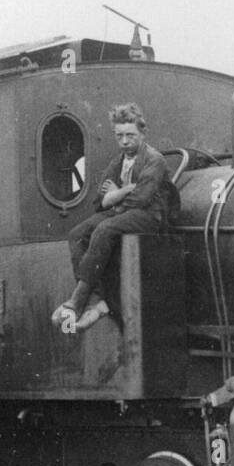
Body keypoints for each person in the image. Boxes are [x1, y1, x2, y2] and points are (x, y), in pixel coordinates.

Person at [52, 103, 177, 332]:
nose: (125, 141)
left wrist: (114, 197)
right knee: (77, 234)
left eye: (130, 135)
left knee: (104, 229)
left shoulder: (154, 160)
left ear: (142, 133)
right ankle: (97, 299)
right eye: (120, 136)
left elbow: (140, 199)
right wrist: (123, 191)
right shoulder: (118, 161)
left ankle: (78, 298)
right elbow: (99, 201)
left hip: (149, 216)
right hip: (126, 210)